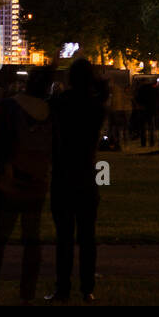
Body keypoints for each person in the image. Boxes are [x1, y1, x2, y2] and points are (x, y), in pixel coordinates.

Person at [0, 68, 54, 304]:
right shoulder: (50, 113)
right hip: (37, 184)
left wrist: (4, 163)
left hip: (9, 183)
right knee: (32, 240)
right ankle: (27, 293)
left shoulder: (9, 107)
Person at [47, 58, 107, 303]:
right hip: (86, 175)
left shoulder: (61, 103)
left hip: (63, 175)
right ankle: (87, 288)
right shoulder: (96, 106)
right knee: (87, 237)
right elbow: (103, 92)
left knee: (64, 238)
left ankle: (63, 288)